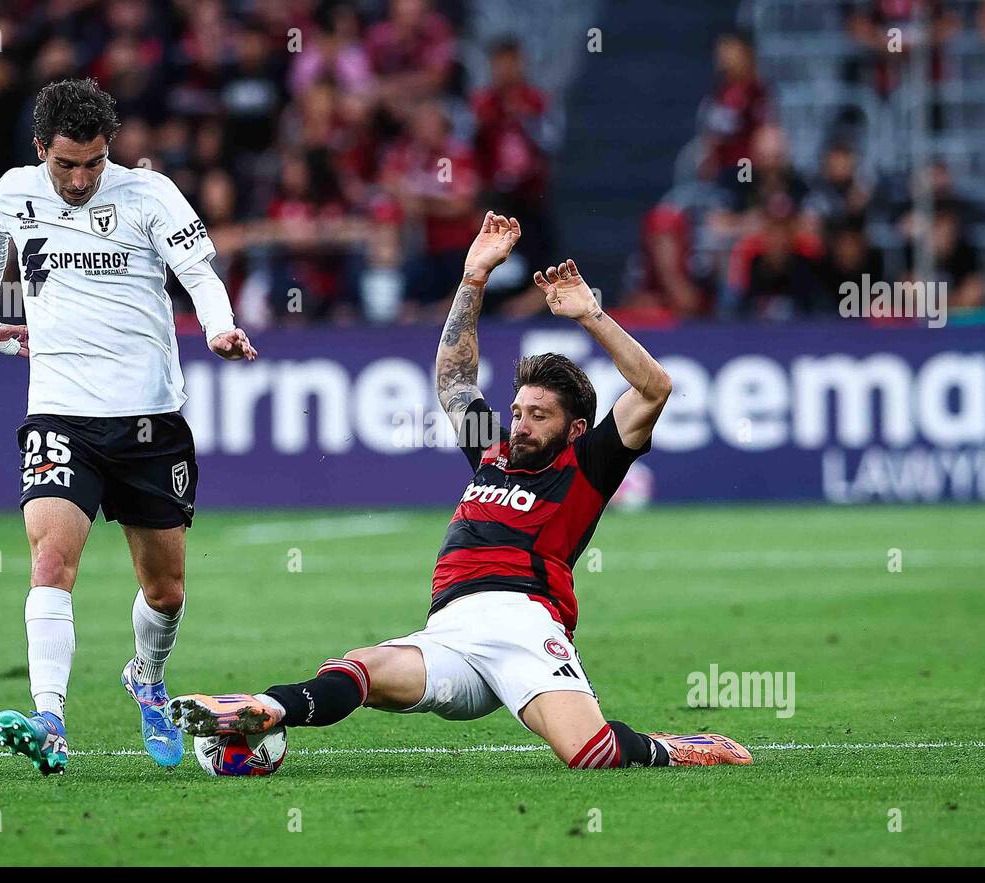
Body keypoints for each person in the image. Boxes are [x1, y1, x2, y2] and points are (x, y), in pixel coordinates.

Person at [169, 212, 753, 770]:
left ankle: (677, 747)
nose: (520, 424)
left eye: (539, 416)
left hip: (526, 623)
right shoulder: (492, 451)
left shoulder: (588, 465)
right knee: (362, 667)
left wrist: (591, 316)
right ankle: (265, 708)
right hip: (450, 630)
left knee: (590, 754)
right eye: (517, 411)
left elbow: (654, 389)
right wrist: (473, 277)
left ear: (574, 429)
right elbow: (453, 377)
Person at [0, 78, 257, 775]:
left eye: (94, 162)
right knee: (50, 563)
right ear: (42, 148)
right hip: (60, 413)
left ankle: (146, 676)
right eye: (67, 164)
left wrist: (218, 327)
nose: (80, 179)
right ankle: (49, 720)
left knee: (166, 591)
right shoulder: (13, 192)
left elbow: (200, 273)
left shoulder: (149, 194)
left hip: (149, 420)